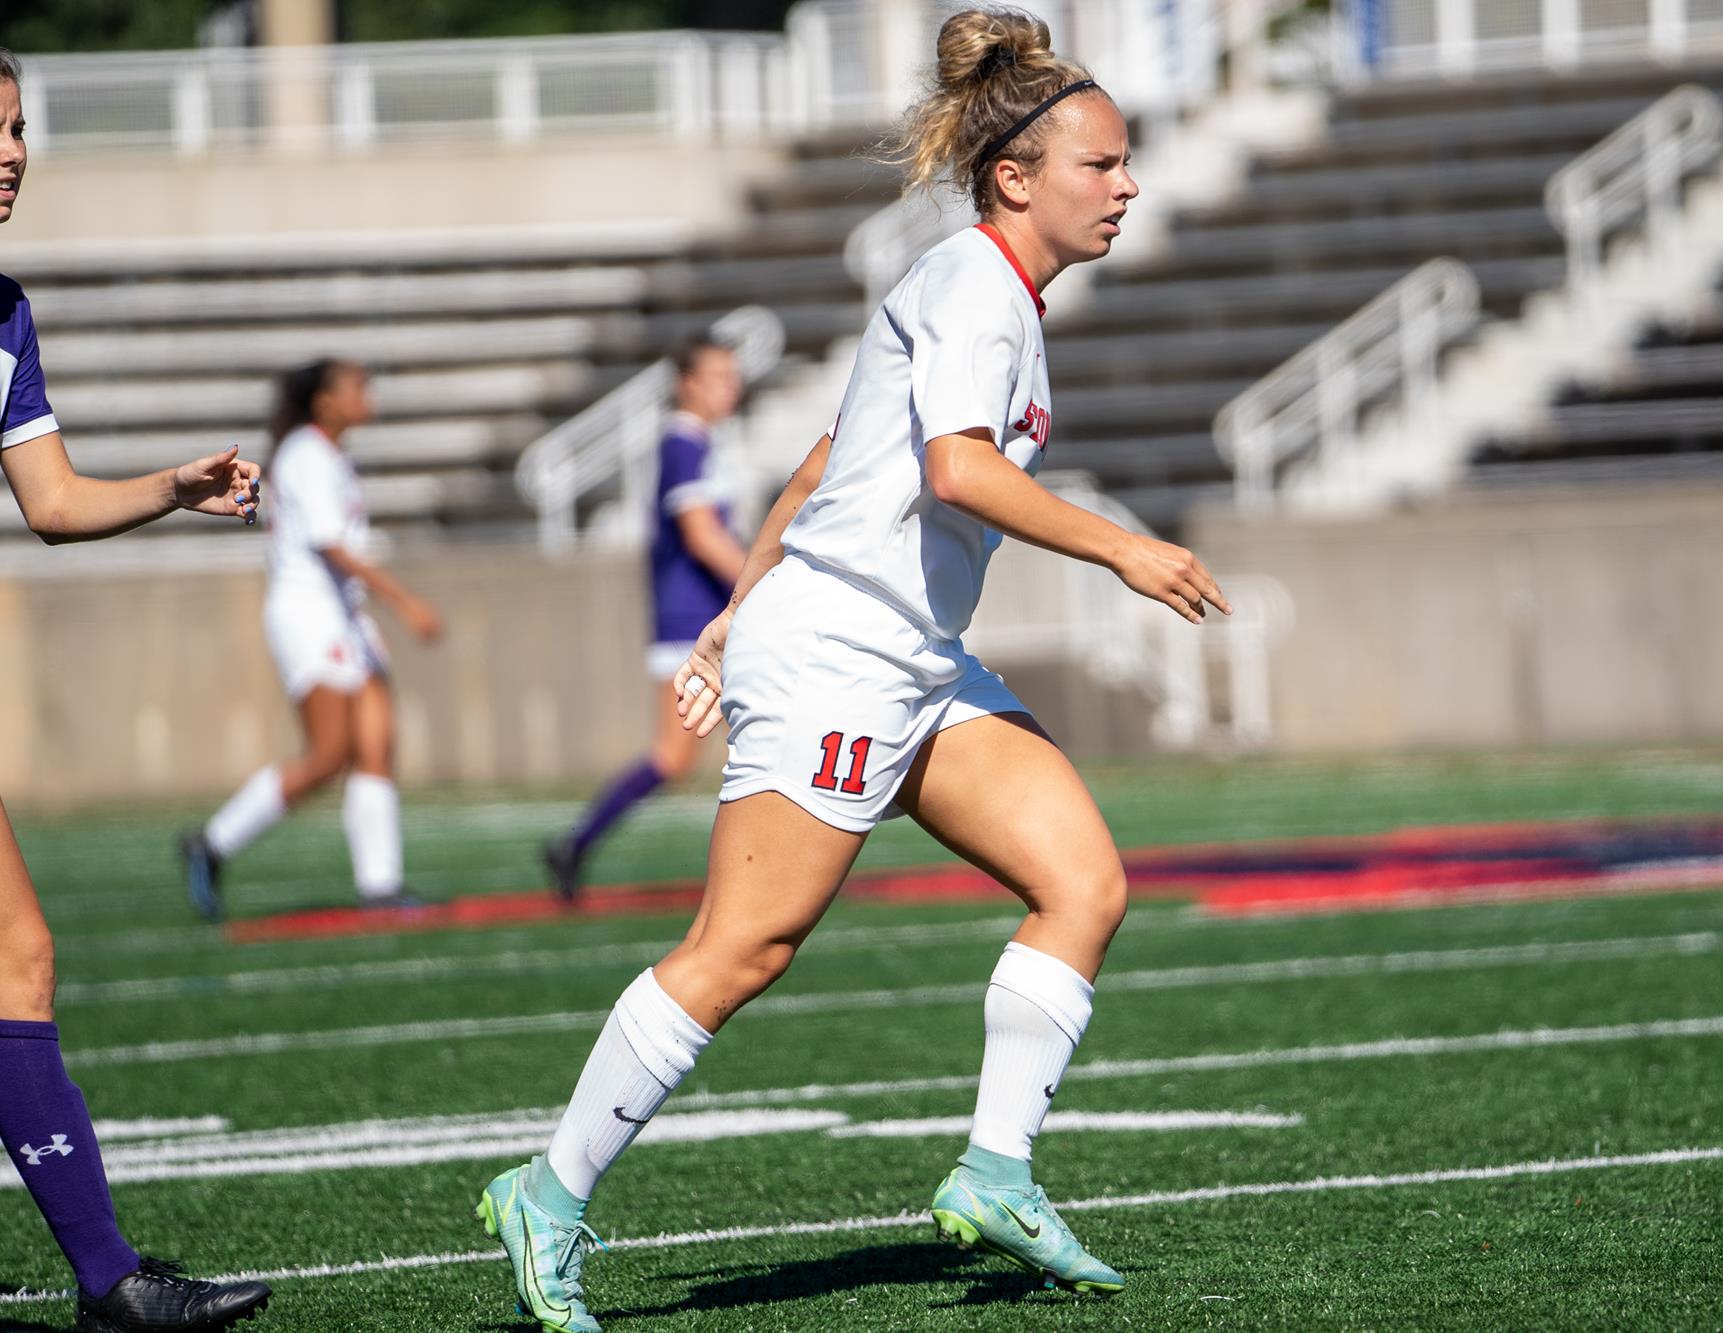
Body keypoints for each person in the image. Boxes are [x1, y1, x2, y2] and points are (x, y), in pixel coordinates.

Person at [476, 10, 1229, 1328]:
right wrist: (1121, 547)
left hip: (912, 659)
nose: (1127, 185)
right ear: (1017, 176)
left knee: (1083, 883)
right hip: (840, 659)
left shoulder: (992, 296)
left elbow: (833, 460)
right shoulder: (975, 287)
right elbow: (955, 469)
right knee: (742, 949)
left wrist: (731, 611)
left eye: (1125, 163)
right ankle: (548, 1191)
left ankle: (996, 1171)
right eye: (1100, 164)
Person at [0, 47, 274, 1333]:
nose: (10, 154)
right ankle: (110, 1284)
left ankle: (110, 1283)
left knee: (19, 959)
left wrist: (169, 488)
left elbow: (50, 504)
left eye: (16, 129)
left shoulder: (3, 313)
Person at [181, 358, 443, 918]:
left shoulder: (328, 455)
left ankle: (381, 885)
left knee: (377, 742)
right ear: (324, 399)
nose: (367, 393)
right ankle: (212, 841)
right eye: (356, 385)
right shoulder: (305, 452)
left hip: (340, 614)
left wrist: (366, 619)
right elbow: (330, 545)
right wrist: (403, 601)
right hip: (309, 615)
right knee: (329, 755)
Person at [543, 338, 748, 901]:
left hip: (702, 616)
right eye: (717, 375)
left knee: (736, 745)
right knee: (678, 754)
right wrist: (763, 587)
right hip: (693, 621)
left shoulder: (701, 442)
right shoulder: (684, 442)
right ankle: (575, 844)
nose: (729, 386)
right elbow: (703, 537)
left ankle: (577, 844)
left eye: (732, 375)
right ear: (686, 382)